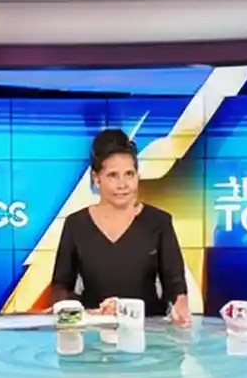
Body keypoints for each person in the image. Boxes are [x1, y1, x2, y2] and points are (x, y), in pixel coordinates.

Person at [51, 129, 191, 325]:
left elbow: (176, 287)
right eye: (112, 175)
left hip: (149, 335)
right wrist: (84, 315)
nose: (123, 184)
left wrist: (180, 305)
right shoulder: (76, 224)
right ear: (96, 178)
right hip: (94, 336)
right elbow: (60, 288)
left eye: (129, 174)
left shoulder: (159, 222)